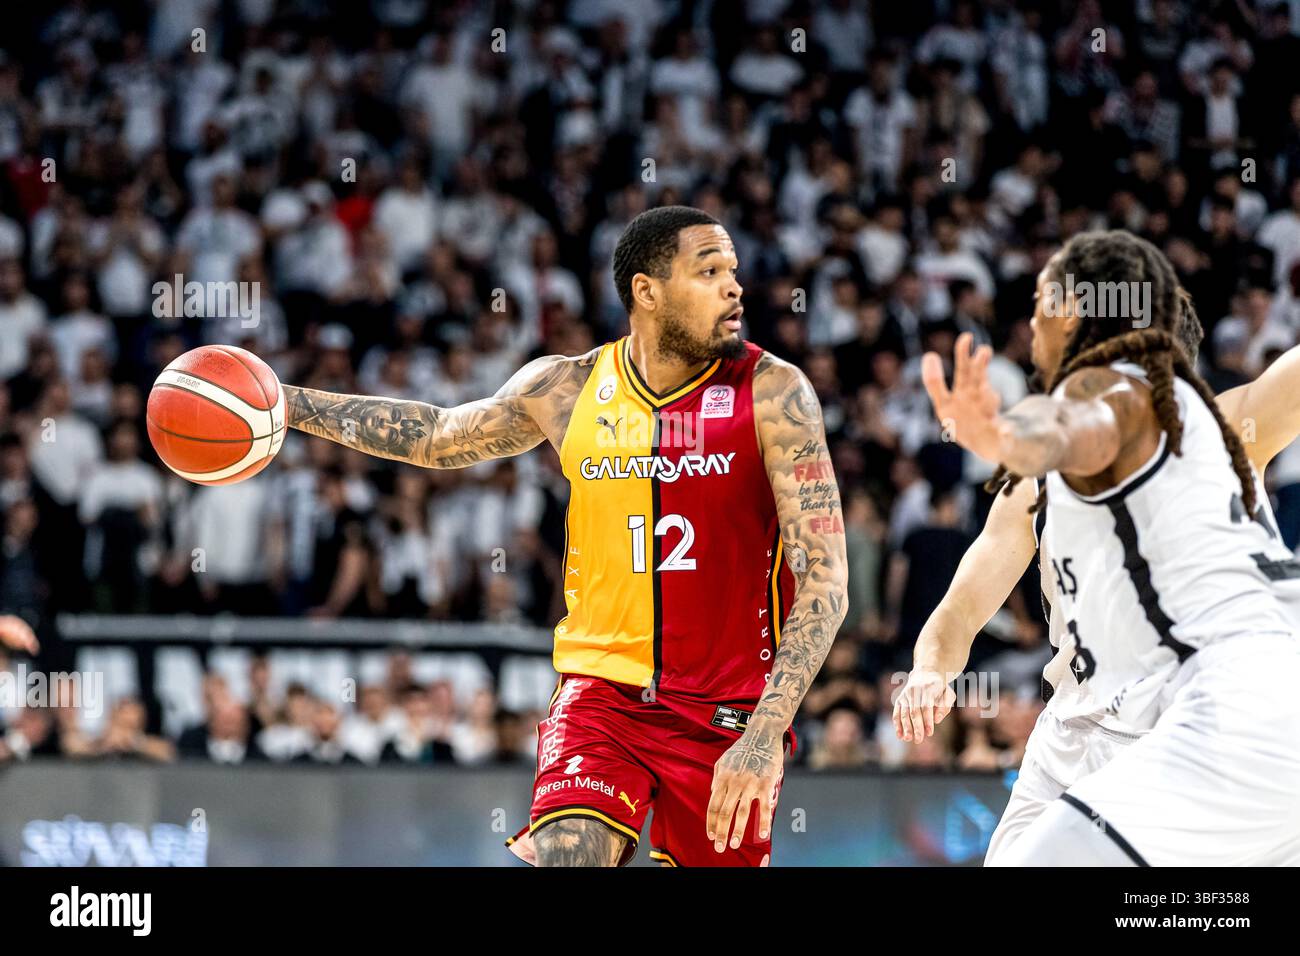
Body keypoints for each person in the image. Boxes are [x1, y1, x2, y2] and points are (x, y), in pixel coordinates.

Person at [280, 206, 849, 866]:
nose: (734, 287)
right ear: (647, 290)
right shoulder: (568, 388)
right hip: (603, 696)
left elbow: (826, 580)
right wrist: (288, 405)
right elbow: (439, 436)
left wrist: (767, 729)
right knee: (568, 858)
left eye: (733, 271)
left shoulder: (775, 393)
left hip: (729, 714)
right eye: (710, 271)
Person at [920, 230, 1300, 865]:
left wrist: (1004, 435)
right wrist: (931, 671)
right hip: (1075, 728)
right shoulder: (1036, 485)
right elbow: (959, 612)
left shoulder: (1216, 425)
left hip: (1196, 722)